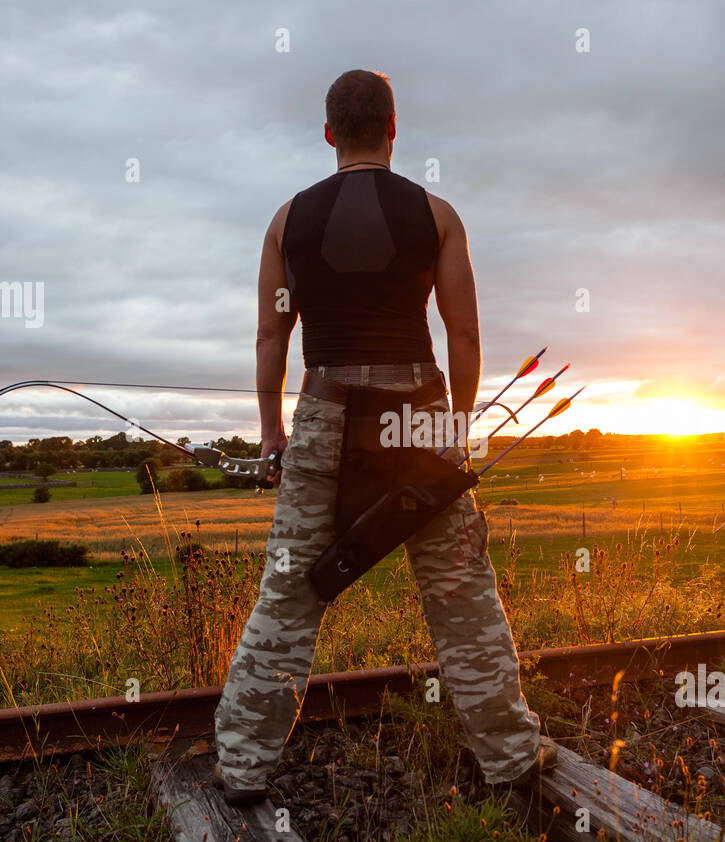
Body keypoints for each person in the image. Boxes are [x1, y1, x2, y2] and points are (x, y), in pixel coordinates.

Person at [212, 69, 555, 804]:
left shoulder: (286, 221)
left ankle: (241, 767)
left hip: (325, 409)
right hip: (420, 413)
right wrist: (457, 426)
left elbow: (272, 336)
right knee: (459, 588)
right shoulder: (437, 215)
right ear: (394, 129)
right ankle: (510, 759)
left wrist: (272, 431)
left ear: (329, 133)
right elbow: (464, 333)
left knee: (288, 592)